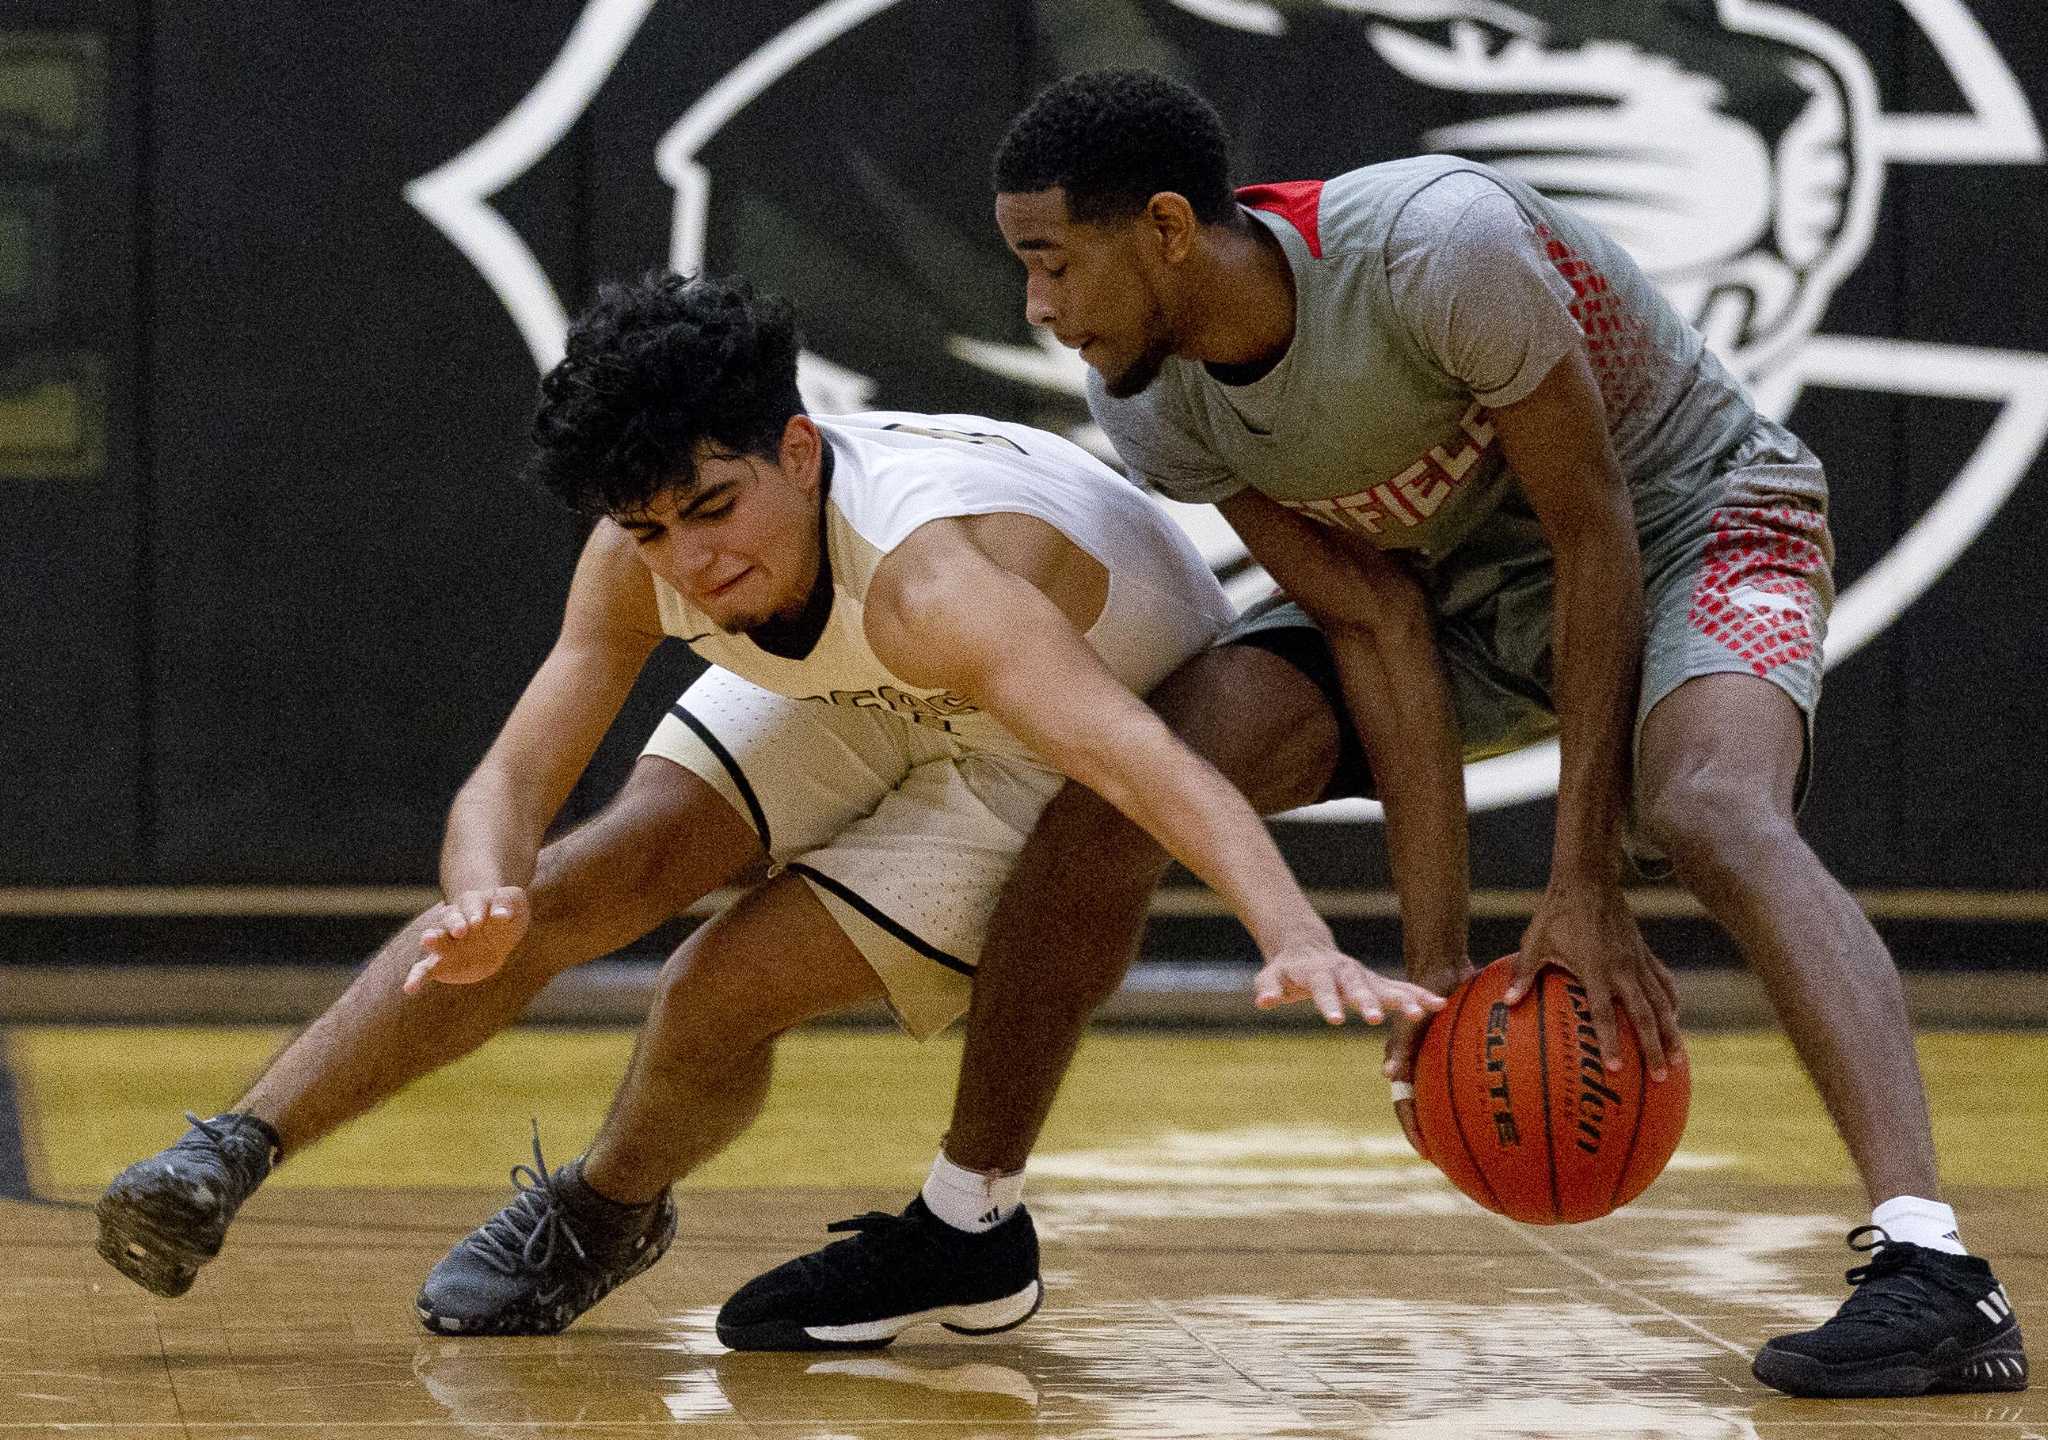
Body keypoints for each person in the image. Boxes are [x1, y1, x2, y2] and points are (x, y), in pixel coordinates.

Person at [93, 271, 1441, 1345]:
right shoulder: (653, 548)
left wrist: (1290, 930)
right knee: (582, 883)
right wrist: (486, 887)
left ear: (798, 451)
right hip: (864, 684)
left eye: (713, 510)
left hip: (1030, 728)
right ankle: (228, 1153)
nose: (695, 562)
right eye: (651, 531)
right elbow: (507, 779)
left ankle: (609, 1210)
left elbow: (1148, 766)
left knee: (713, 989)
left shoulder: (937, 580)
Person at [976, 68, 2027, 1400]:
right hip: (1465, 602)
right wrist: (1435, 975)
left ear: (1170, 232)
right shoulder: (1152, 406)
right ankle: (966, 1215)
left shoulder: (1436, 251)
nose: (1038, 305)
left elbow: (1597, 539)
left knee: (1707, 808)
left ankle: (1935, 1270)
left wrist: (1582, 882)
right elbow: (1376, 628)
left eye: (1053, 262)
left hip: (1694, 523)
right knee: (1168, 754)